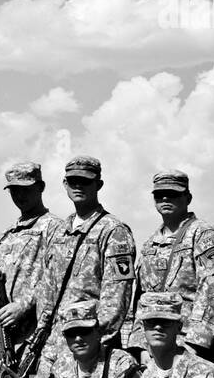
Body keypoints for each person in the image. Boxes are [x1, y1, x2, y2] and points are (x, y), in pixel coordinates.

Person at [29, 156, 136, 364]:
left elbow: (116, 301)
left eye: (85, 181)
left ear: (99, 184)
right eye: (72, 181)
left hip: (88, 351)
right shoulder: (59, 231)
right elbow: (46, 291)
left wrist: (92, 345)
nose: (78, 186)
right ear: (65, 184)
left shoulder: (114, 231)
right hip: (50, 349)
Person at [123, 170, 214, 363]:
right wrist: (140, 346)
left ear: (187, 197)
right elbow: (141, 299)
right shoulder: (150, 244)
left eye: (173, 194)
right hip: (152, 348)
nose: (165, 198)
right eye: (159, 194)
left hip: (187, 346)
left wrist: (195, 345)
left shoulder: (206, 236)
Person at [0, 162, 62, 357]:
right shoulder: (5, 235)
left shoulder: (56, 229)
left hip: (40, 335)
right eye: (14, 190)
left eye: (25, 189)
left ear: (40, 187)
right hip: (5, 336)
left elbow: (57, 277)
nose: (20, 196)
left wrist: (24, 304)